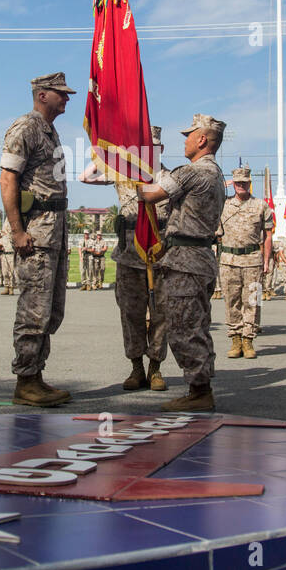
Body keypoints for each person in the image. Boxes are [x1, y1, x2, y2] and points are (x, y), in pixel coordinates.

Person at [138, 114, 225, 411]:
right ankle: (200, 387)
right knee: (197, 324)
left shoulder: (194, 172)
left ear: (202, 140)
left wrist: (132, 175)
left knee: (184, 326)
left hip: (187, 262)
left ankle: (200, 391)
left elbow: (151, 194)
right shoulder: (216, 173)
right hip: (197, 259)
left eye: (189, 135)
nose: (185, 140)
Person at [0, 71, 75, 406]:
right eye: (61, 93)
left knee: (50, 310)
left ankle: (37, 376)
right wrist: (17, 230)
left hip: (53, 231)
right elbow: (7, 180)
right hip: (36, 233)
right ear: (42, 94)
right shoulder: (25, 128)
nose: (67, 98)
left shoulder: (50, 131)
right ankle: (25, 380)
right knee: (34, 309)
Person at [114, 125, 169, 392]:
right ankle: (136, 368)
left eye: (153, 147)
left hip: (160, 260)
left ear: (161, 149)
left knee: (161, 315)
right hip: (129, 258)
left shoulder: (172, 179)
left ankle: (155, 368)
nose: (149, 152)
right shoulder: (124, 176)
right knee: (131, 315)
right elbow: (87, 175)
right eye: (143, 147)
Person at [215, 166, 274, 359]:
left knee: (253, 301)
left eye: (244, 182)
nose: (241, 185)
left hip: (253, 260)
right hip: (228, 261)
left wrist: (266, 261)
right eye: (237, 182)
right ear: (233, 184)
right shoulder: (223, 204)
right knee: (232, 301)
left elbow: (267, 236)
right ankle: (235, 339)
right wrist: (225, 184)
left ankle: (248, 340)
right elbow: (210, 193)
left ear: (250, 183)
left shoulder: (261, 206)